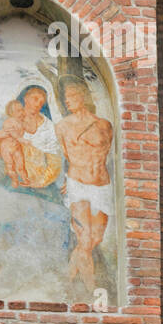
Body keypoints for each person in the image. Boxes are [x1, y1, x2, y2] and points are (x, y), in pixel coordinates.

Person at [54, 78, 114, 293]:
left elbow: (106, 153)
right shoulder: (62, 126)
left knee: (93, 240)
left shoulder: (104, 125)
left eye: (72, 96)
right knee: (85, 239)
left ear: (84, 97)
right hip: (78, 184)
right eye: (65, 98)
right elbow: (65, 155)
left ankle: (68, 283)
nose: (68, 101)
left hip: (101, 184)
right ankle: (90, 291)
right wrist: (65, 180)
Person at [0, 99, 31, 187]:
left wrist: (28, 120)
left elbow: (30, 129)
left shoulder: (22, 122)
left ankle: (25, 180)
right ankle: (14, 180)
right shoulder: (9, 121)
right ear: (11, 113)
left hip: (16, 147)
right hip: (6, 148)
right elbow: (13, 133)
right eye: (18, 111)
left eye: (22, 110)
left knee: (21, 165)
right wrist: (22, 140)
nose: (21, 112)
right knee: (10, 166)